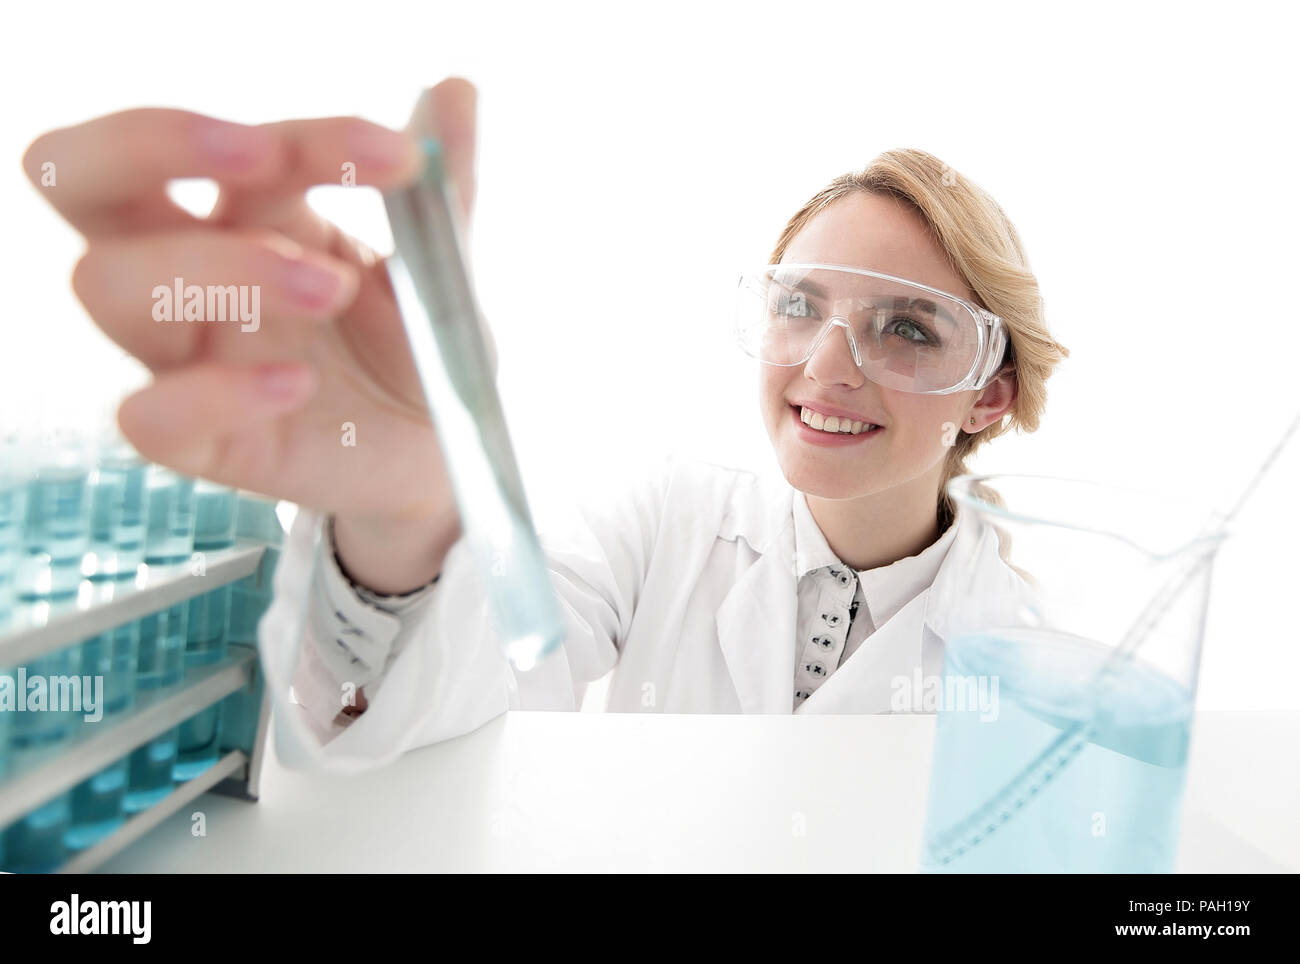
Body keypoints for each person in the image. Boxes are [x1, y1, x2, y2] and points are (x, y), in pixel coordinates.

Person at [24, 78, 1067, 770]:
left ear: (989, 392)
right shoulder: (669, 514)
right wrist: (408, 515)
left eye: (907, 328)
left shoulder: (1028, 661)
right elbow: (452, 697)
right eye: (799, 305)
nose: (826, 366)